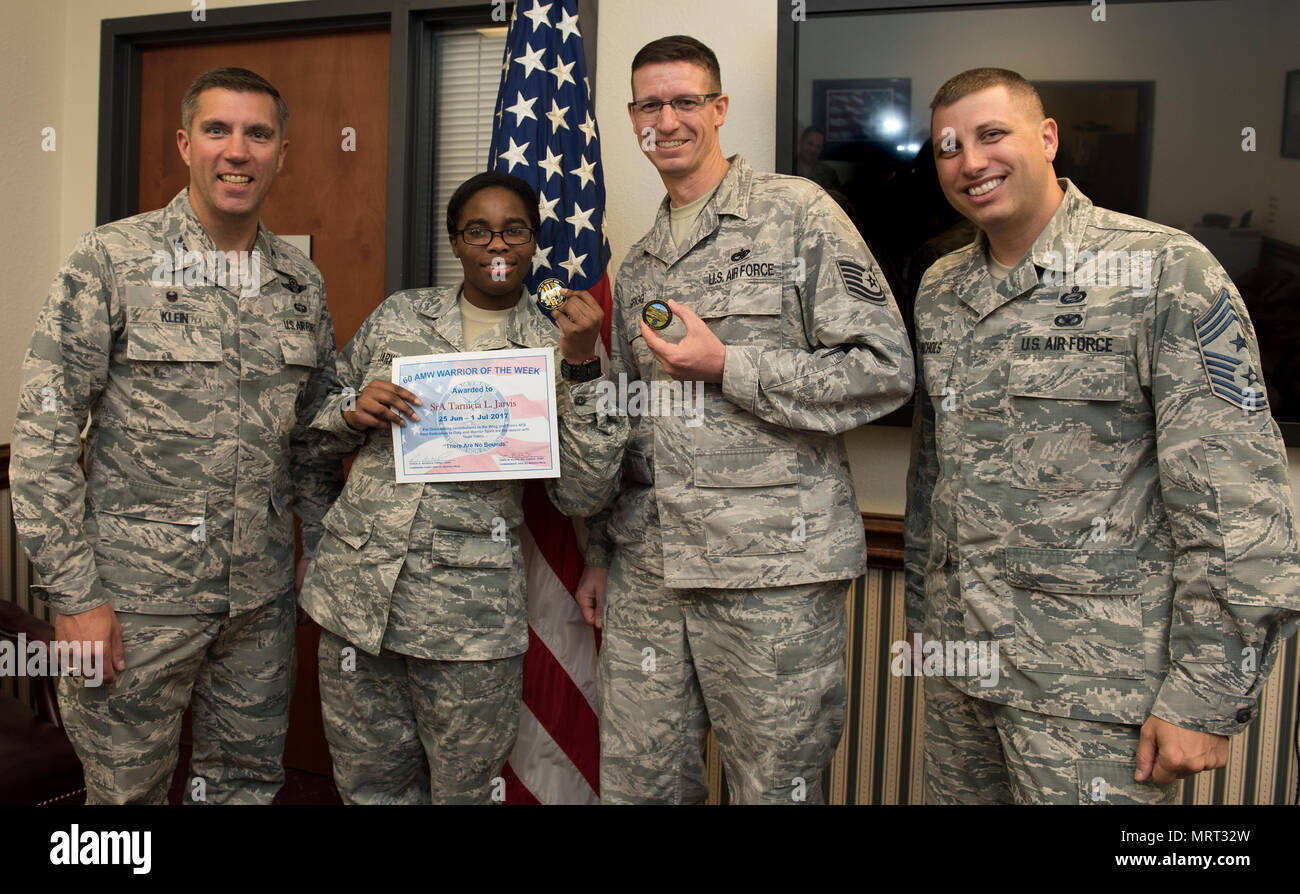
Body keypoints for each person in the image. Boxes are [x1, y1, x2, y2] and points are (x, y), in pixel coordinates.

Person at [904, 67, 1300, 804]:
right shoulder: (941, 288)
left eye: (993, 134)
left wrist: (1207, 696)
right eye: (949, 147)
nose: (971, 162)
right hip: (963, 676)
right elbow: (936, 478)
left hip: (1094, 691)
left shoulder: (1165, 271)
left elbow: (1237, 502)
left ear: (1048, 138)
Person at [576, 36, 914, 804]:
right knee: (638, 786)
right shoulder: (641, 262)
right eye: (651, 105)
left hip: (771, 574)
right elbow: (635, 423)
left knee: (773, 788)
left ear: (719, 107)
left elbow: (884, 370)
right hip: (651, 570)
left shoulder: (797, 213)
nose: (667, 120)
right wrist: (600, 551)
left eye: (685, 101)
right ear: (632, 118)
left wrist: (727, 363)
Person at [10, 67, 342, 804]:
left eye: (258, 134)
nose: (238, 151)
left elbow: (312, 442)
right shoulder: (111, 259)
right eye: (218, 130)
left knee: (246, 787)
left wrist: (318, 556)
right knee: (125, 803)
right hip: (134, 602)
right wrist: (74, 596)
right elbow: (43, 435)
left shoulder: (299, 283)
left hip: (257, 604)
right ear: (186, 144)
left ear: (282, 152)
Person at [299, 171, 626, 804]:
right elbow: (311, 422)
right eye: (478, 231)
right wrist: (350, 410)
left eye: (514, 230)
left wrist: (583, 364)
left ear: (534, 241)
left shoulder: (559, 341)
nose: (496, 244)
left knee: (465, 794)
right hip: (357, 600)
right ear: (455, 242)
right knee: (368, 789)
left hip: (469, 617)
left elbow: (586, 495)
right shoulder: (401, 315)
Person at [795, 125, 840, 192]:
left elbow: (835, 197)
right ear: (801, 142)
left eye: (818, 146)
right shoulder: (787, 166)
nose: (813, 150)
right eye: (810, 144)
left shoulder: (829, 174)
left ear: (822, 149)